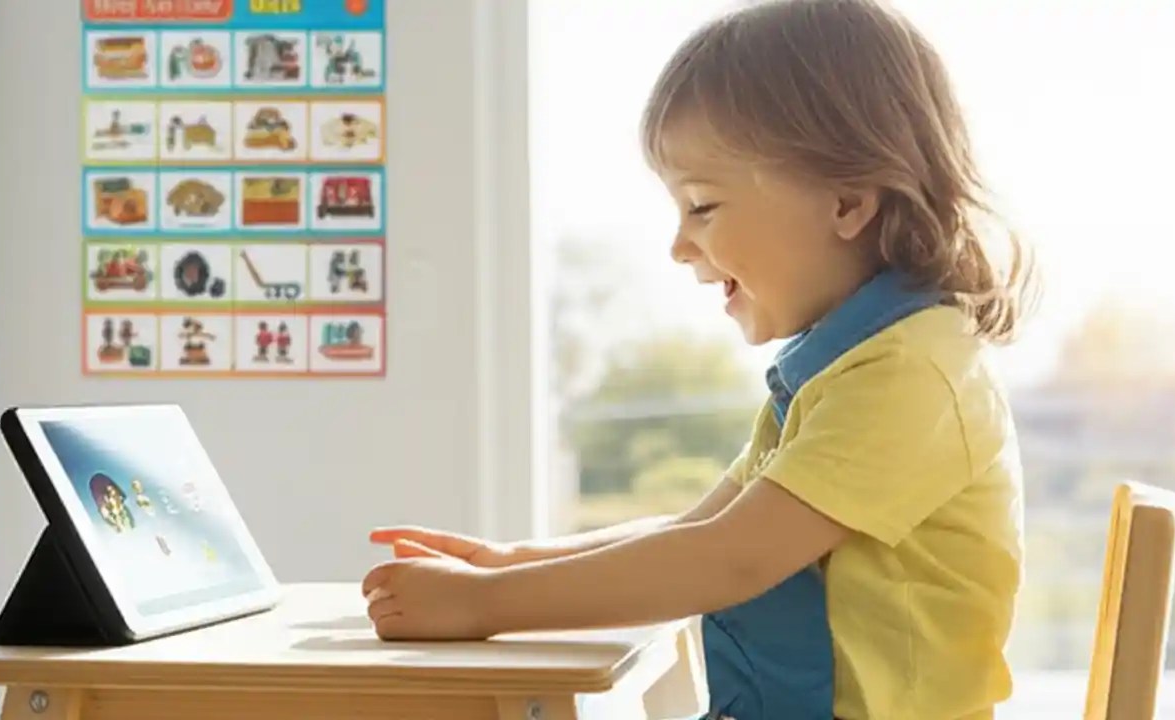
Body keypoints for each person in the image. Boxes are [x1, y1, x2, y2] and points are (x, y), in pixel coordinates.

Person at [361, 1, 1038, 718]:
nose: (680, 246)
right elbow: (696, 529)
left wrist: (485, 605)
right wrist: (516, 563)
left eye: (703, 207)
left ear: (847, 201)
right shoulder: (847, 368)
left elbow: (728, 558)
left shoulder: (909, 378)